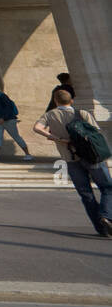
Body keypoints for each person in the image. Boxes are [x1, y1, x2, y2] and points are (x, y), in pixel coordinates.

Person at [33, 89, 112, 237]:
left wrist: (55, 138)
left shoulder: (50, 115)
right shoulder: (82, 113)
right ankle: (106, 216)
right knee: (107, 187)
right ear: (71, 101)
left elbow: (37, 128)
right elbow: (96, 132)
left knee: (85, 194)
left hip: (70, 158)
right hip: (91, 157)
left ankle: (101, 229)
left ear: (56, 101)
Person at [0, 82, 32, 161]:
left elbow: (8, 108)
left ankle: (28, 154)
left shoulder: (2, 96)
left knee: (16, 136)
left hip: (8, 120)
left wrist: (3, 118)